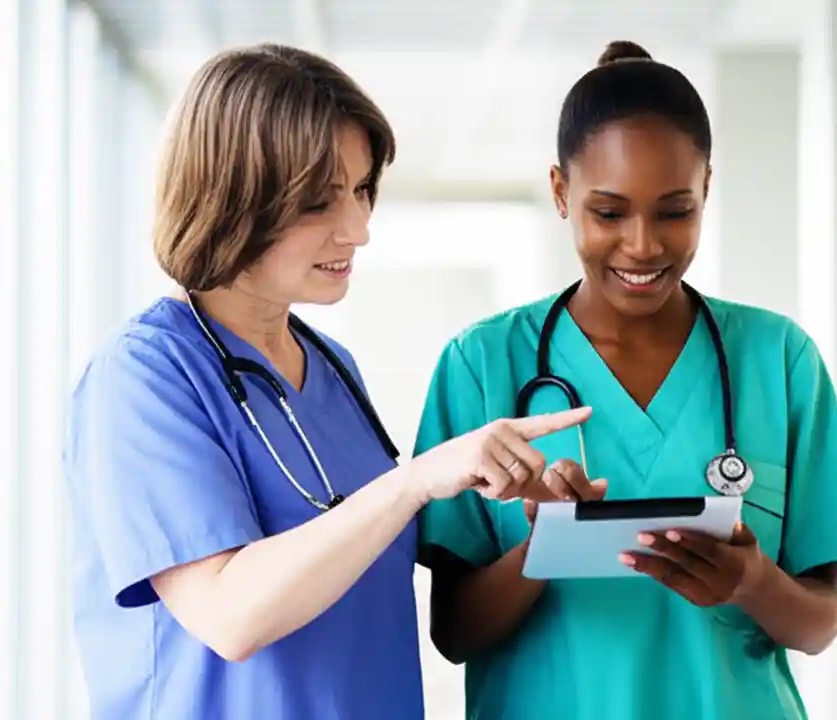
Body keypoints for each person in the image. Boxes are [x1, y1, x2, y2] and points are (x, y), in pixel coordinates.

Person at [62, 44, 590, 719]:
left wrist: (541, 530)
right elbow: (230, 614)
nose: (358, 229)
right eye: (319, 201)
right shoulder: (142, 377)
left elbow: (357, 578)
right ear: (230, 197)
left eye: (362, 190)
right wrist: (414, 481)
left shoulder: (333, 367)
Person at [417, 40, 837, 719]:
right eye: (609, 212)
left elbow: (818, 625)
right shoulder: (483, 364)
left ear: (706, 191)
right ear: (561, 192)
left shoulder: (778, 359)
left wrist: (751, 580)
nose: (643, 245)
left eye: (674, 211)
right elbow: (454, 634)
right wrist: (545, 544)